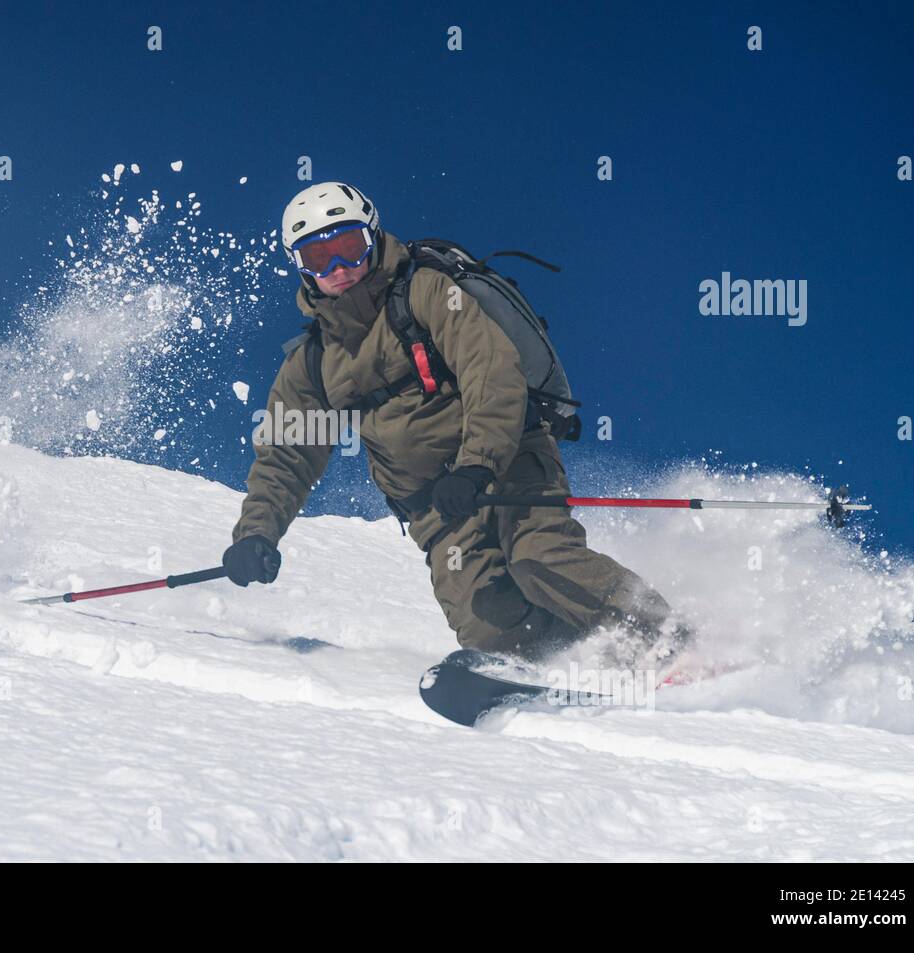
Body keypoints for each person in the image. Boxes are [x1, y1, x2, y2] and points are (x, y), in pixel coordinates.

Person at [223, 182, 684, 665]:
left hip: (506, 467)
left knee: (539, 558)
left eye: (348, 248)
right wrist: (256, 535)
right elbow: (286, 455)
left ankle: (669, 639)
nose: (338, 269)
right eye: (319, 258)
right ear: (301, 269)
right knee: (486, 624)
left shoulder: (426, 292)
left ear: (373, 238)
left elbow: (491, 370)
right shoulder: (313, 362)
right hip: (437, 511)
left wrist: (477, 464)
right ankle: (574, 661)